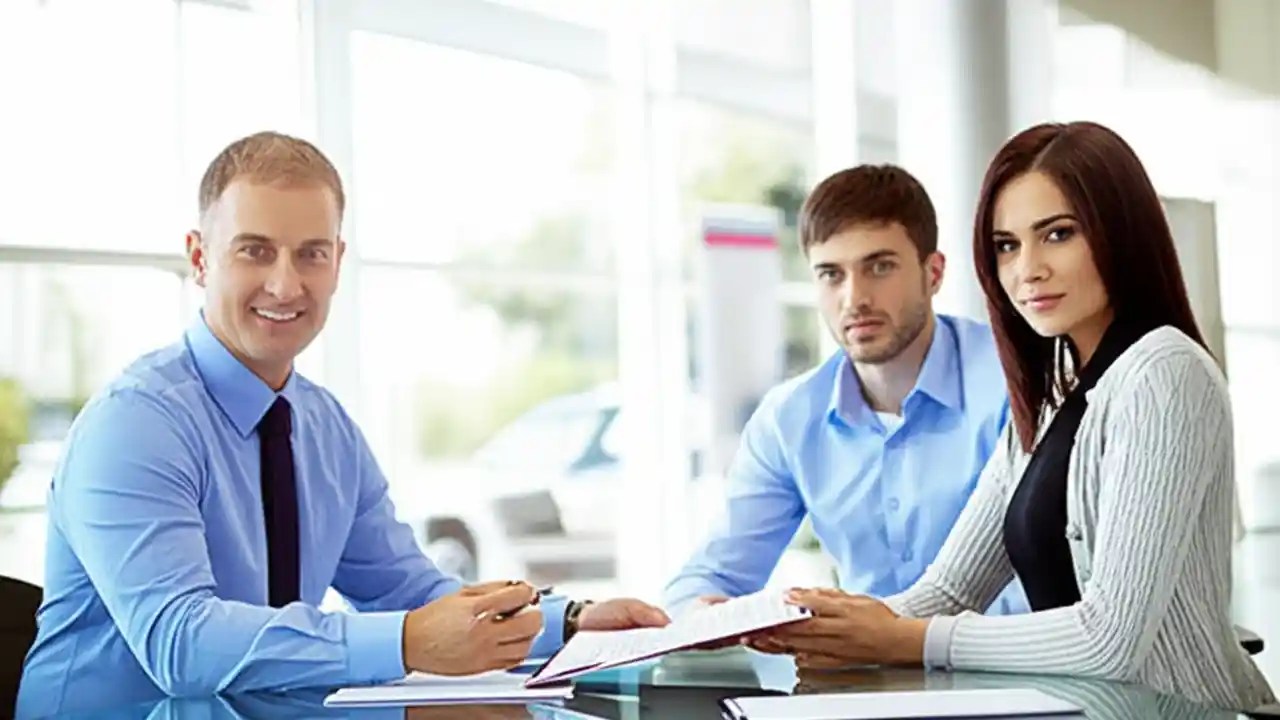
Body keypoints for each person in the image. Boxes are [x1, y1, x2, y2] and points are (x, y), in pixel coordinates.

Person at [16, 131, 669, 718]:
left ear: (337, 260)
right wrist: (412, 640)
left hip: (269, 710)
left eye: (311, 254)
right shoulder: (134, 424)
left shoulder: (323, 427)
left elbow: (404, 588)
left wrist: (569, 623)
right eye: (254, 251)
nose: (284, 284)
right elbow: (181, 645)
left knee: (507, 718)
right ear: (199, 258)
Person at [757, 122, 1277, 712]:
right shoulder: (1053, 392)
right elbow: (949, 590)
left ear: (1120, 234)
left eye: (1057, 234)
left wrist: (907, 639)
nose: (1027, 269)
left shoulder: (1164, 373)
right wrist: (827, 621)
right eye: (1006, 245)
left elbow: (1111, 638)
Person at [663, 165, 1027, 616]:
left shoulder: (1015, 385)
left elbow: (1051, 584)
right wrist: (704, 615)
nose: (854, 298)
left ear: (933, 273)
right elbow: (708, 578)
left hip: (1006, 675)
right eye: (831, 275)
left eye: (879, 267)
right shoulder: (789, 419)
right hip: (864, 678)